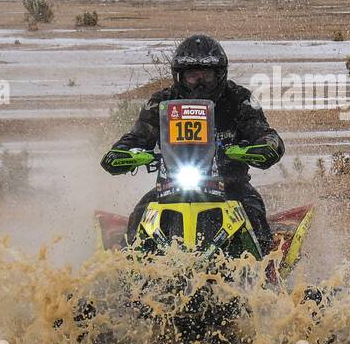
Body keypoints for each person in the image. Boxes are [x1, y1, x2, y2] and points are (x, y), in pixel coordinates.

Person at [100, 33, 283, 250]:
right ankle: (124, 274)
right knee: (139, 217)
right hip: (172, 185)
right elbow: (137, 136)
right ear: (180, 76)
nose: (200, 83)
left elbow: (263, 132)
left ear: (219, 75)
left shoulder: (239, 99)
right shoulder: (161, 102)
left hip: (231, 185)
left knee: (254, 215)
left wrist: (265, 146)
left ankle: (268, 276)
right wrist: (122, 152)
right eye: (192, 76)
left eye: (206, 76)